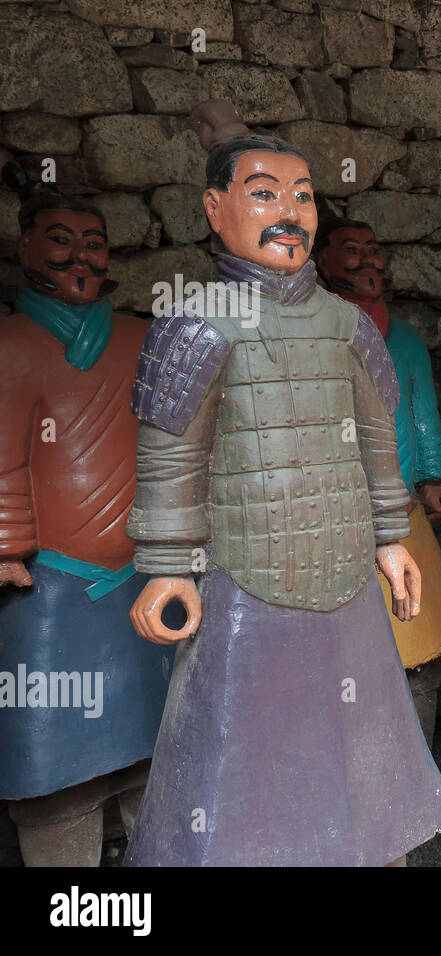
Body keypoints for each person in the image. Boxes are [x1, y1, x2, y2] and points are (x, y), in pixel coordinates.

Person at [123, 101, 441, 866]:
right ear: (216, 209)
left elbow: (375, 444)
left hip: (345, 578)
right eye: (265, 192)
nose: (289, 213)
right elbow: (171, 460)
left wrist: (392, 538)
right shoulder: (194, 323)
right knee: (237, 771)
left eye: (303, 195)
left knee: (364, 760)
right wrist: (168, 566)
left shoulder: (347, 325)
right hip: (243, 580)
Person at [0, 164, 175, 865]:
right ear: (23, 251)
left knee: (156, 759)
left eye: (94, 241)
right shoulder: (12, 346)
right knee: (53, 773)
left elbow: (173, 444)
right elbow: (3, 455)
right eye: (61, 239)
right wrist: (7, 544)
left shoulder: (143, 338)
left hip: (144, 580)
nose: (81, 254)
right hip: (49, 595)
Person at [314, 213, 441, 741]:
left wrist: (432, 475)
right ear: (321, 260)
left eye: (373, 248)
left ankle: (417, 752)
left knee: (421, 642)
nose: (368, 260)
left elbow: (422, 412)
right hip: (336, 523)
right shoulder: (312, 333)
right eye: (351, 249)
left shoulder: (403, 338)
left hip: (403, 512)